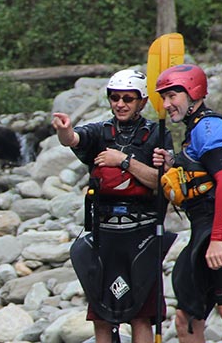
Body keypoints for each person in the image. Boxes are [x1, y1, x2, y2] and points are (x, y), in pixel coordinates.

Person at [53, 69, 175, 343]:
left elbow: (162, 183)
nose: (120, 104)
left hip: (143, 234)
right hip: (104, 234)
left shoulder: (158, 134)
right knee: (102, 315)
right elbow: (73, 139)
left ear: (142, 101)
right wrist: (64, 131)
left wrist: (123, 161)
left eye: (128, 99)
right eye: (115, 98)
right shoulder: (99, 132)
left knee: (141, 315)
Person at [150, 64, 222, 343]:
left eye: (172, 96)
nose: (166, 104)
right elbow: (200, 177)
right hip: (203, 229)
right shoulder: (194, 130)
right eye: (163, 98)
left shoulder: (208, 127)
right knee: (186, 319)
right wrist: (172, 165)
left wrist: (217, 239)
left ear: (193, 93)